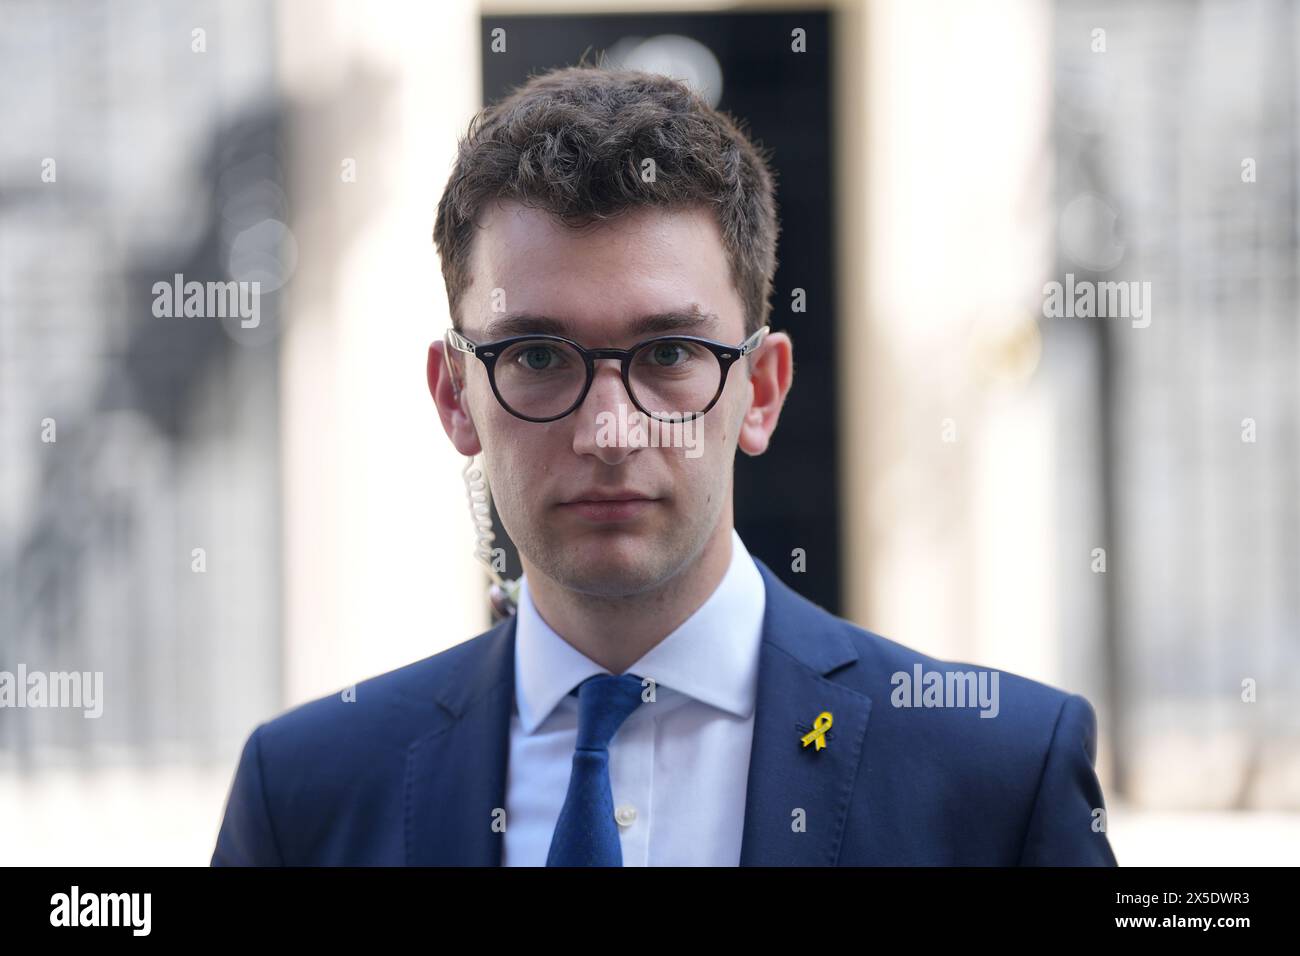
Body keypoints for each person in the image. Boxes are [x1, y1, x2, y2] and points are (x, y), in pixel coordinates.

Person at [211, 65, 1117, 866]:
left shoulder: (998, 775)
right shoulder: (303, 795)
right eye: (536, 356)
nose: (609, 432)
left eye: (669, 354)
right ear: (456, 397)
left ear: (760, 390)